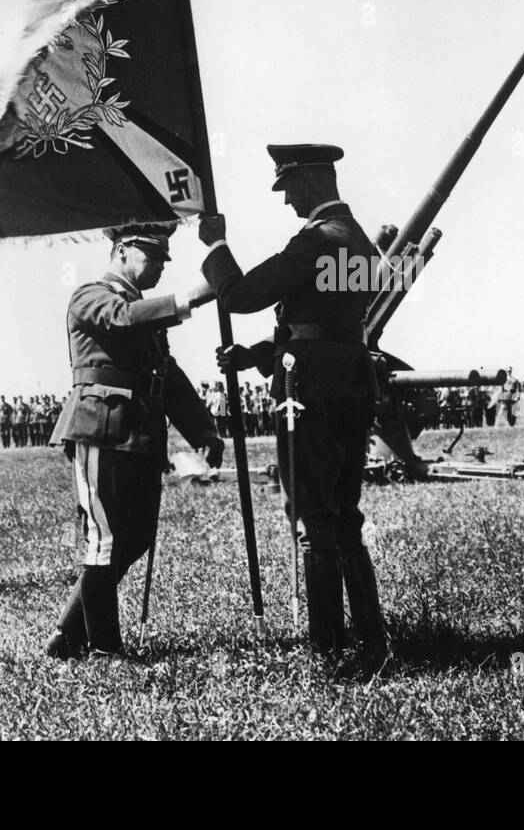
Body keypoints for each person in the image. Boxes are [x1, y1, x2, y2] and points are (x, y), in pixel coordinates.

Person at [198, 143, 387, 669]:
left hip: (307, 390)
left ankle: (327, 650)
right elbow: (325, 325)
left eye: (288, 189)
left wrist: (216, 245)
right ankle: (372, 640)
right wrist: (260, 354)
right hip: (352, 379)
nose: (286, 201)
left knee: (312, 514)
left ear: (308, 181)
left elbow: (238, 295)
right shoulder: (362, 243)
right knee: (345, 514)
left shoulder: (314, 242)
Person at [45, 223, 222, 659]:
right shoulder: (91, 295)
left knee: (135, 538)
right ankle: (105, 648)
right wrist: (190, 297)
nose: (161, 265)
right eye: (153, 255)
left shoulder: (144, 309)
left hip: (141, 436)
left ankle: (69, 634)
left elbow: (167, 374)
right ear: (122, 250)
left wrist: (202, 428)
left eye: (165, 258)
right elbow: (121, 320)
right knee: (104, 538)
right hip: (101, 431)